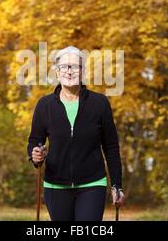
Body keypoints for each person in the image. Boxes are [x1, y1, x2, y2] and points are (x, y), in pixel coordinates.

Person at [27, 46, 125, 221]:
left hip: (92, 183)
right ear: (57, 73)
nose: (69, 71)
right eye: (64, 66)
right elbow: (35, 140)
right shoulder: (45, 105)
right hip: (55, 185)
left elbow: (111, 147)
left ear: (82, 72)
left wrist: (117, 185)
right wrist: (34, 155)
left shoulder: (100, 104)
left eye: (75, 66)